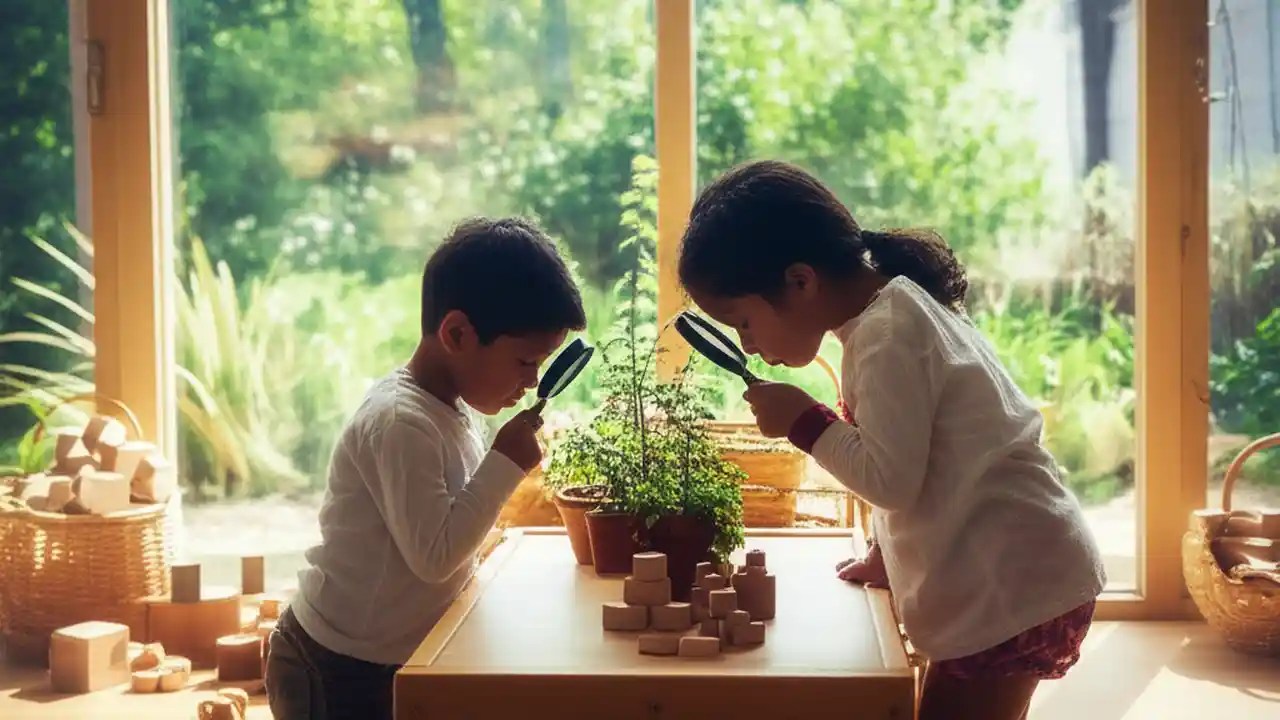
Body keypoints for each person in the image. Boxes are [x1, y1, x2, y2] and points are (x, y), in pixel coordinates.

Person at [678, 160, 1105, 720]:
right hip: (1021, 570)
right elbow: (929, 457)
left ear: (801, 281)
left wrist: (804, 422)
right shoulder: (893, 313)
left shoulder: (885, 337)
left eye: (743, 323)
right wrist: (888, 555)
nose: (749, 345)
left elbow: (891, 480)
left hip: (1012, 586)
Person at [265, 217, 587, 720]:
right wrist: (504, 464)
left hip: (395, 656)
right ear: (457, 333)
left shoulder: (450, 404)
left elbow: (450, 525)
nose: (532, 380)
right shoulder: (400, 423)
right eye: (525, 361)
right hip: (335, 667)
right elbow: (434, 555)